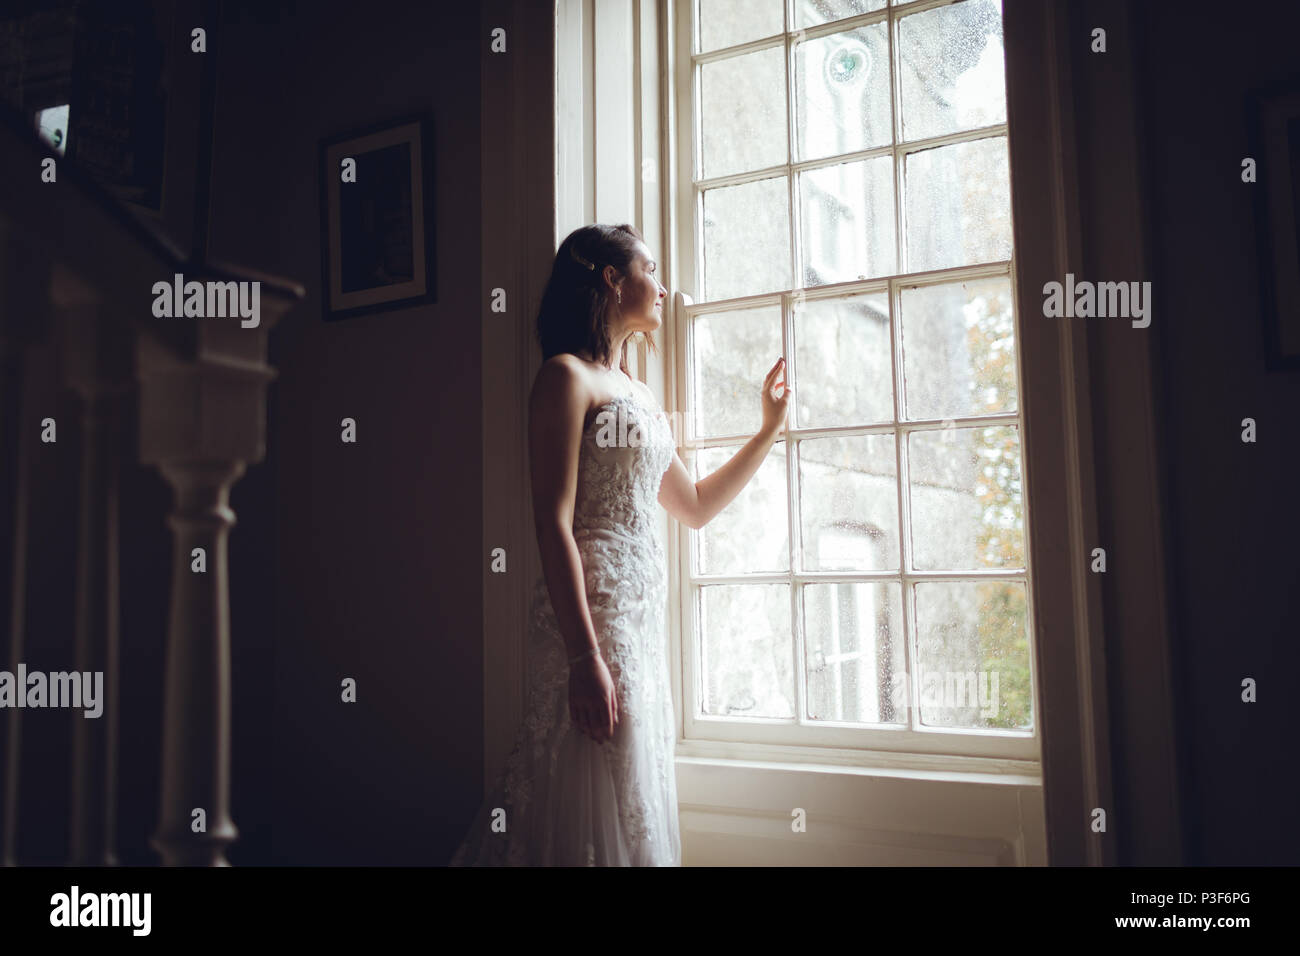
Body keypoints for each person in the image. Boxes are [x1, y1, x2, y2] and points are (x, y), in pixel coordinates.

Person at [449, 223, 791, 866]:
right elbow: (552, 522)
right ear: (612, 279)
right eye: (651, 270)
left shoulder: (638, 394)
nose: (663, 287)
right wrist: (583, 656)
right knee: (590, 770)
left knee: (631, 782)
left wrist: (767, 430)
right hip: (593, 616)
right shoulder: (565, 377)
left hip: (640, 623)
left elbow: (694, 508)